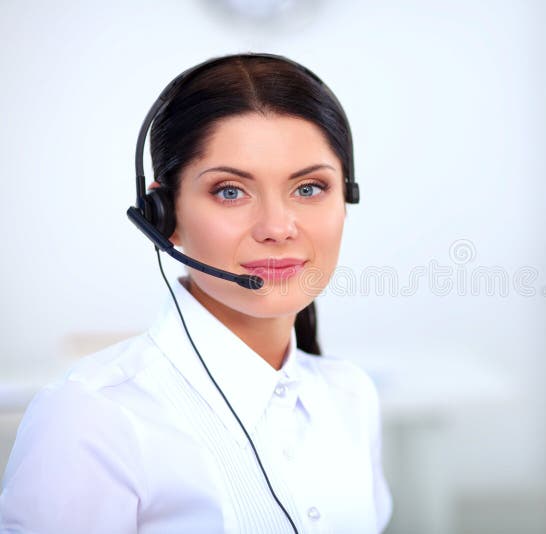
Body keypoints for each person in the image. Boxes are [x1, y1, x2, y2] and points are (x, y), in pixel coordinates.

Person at [0, 53, 392, 533]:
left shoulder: (350, 395)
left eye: (309, 188)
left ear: (345, 200)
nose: (277, 227)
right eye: (230, 191)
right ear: (164, 216)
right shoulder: (91, 417)